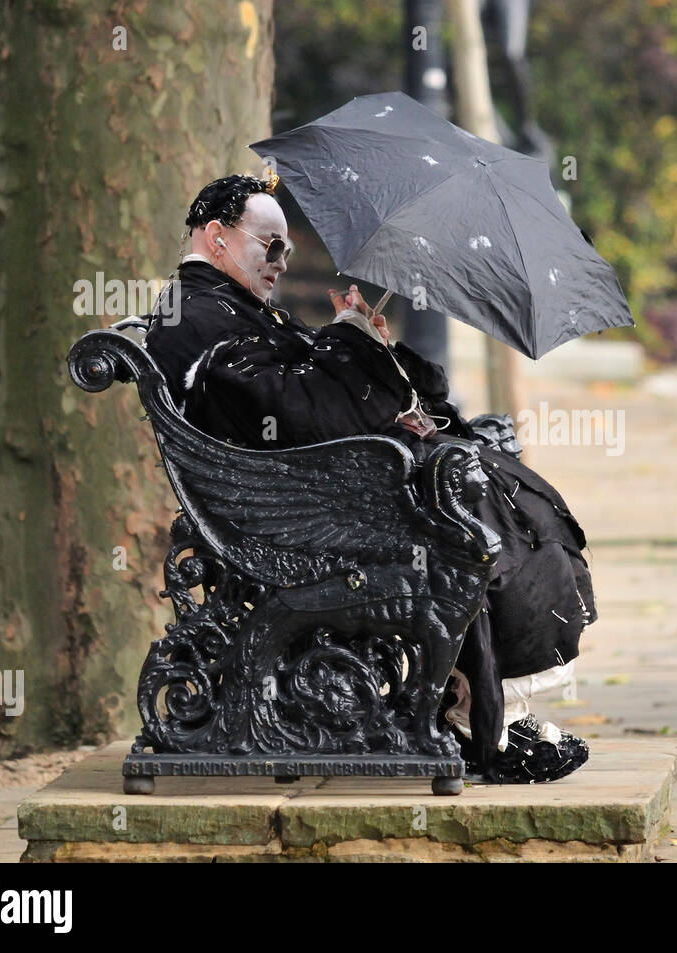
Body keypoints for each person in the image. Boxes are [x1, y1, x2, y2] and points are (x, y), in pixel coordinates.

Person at [142, 173, 594, 783]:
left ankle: (484, 704)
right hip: (279, 515)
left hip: (307, 492)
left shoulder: (228, 306)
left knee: (480, 474)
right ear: (217, 237)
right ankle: (482, 712)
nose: (280, 260)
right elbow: (290, 413)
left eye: (286, 248)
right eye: (268, 245)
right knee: (465, 494)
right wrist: (349, 345)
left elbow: (304, 399)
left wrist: (365, 344)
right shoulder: (194, 314)